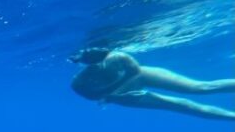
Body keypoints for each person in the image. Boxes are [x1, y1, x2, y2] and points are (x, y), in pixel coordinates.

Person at [69, 48, 235, 121]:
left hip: (142, 76)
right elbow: (90, 95)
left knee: (200, 88)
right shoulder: (79, 81)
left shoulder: (117, 56)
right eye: (89, 65)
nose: (95, 66)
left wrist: (115, 92)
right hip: (120, 96)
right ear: (81, 64)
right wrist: (113, 97)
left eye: (98, 62)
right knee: (181, 106)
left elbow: (135, 72)